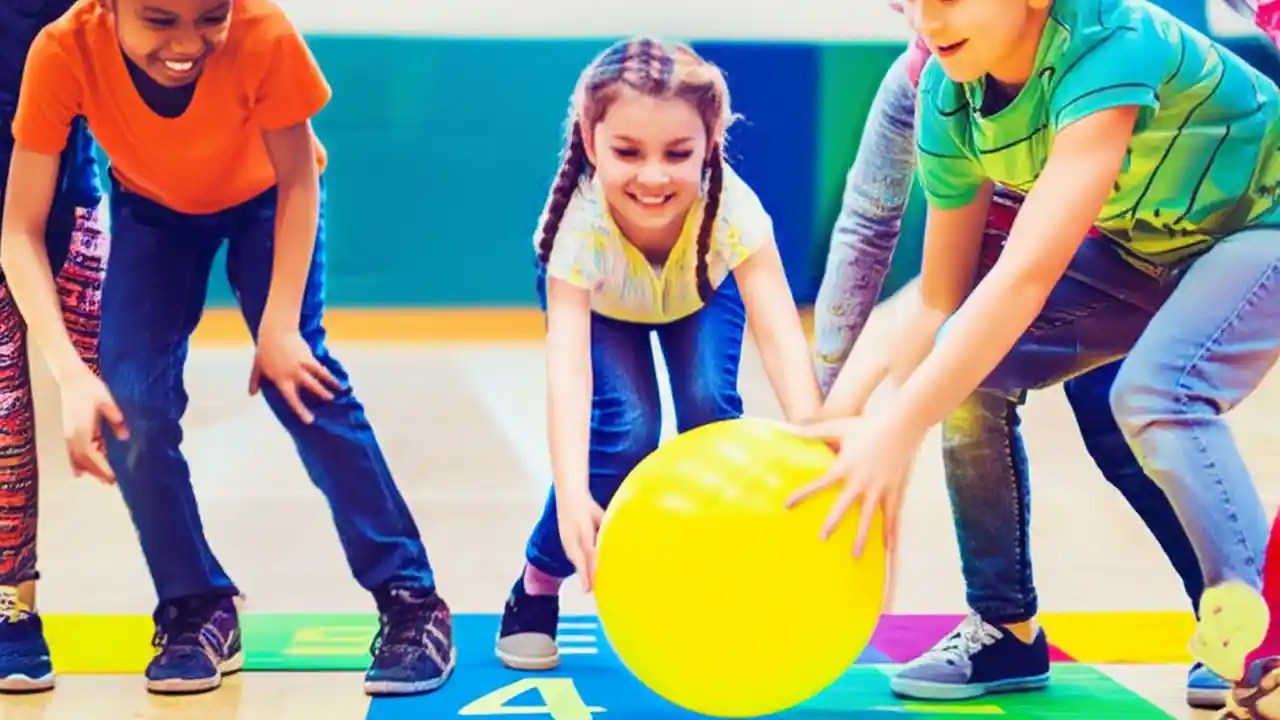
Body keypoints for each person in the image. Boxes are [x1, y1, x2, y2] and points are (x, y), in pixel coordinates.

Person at [788, 0, 1280, 708]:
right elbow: (938, 302)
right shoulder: (944, 96)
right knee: (968, 368)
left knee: (1151, 394)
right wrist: (862, 422)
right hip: (1147, 248)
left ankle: (1262, 639)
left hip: (1261, 223)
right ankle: (1005, 628)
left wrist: (894, 430)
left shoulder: (1113, 39)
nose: (929, 19)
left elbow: (1025, 276)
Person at [1, 0, 453, 697]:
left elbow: (299, 179)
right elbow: (19, 231)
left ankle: (411, 600)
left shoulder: (262, 32)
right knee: (131, 407)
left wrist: (281, 327)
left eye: (209, 17)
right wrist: (72, 374)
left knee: (299, 382)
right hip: (153, 210)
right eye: (159, 21)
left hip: (267, 201)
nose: (187, 42)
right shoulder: (64, 50)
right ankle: (196, 606)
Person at [494, 36, 822, 671]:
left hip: (697, 294)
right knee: (627, 433)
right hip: (607, 310)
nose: (652, 175)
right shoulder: (578, 230)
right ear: (591, 143)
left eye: (677, 153)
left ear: (711, 141)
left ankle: (707, 578)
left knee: (711, 409)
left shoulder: (732, 211)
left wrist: (813, 437)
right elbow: (568, 373)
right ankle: (536, 582)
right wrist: (571, 493)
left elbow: (780, 330)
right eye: (627, 152)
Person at [0, 0, 108, 693]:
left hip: (68, 199)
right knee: (3, 420)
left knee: (133, 400)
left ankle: (193, 590)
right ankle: (11, 607)